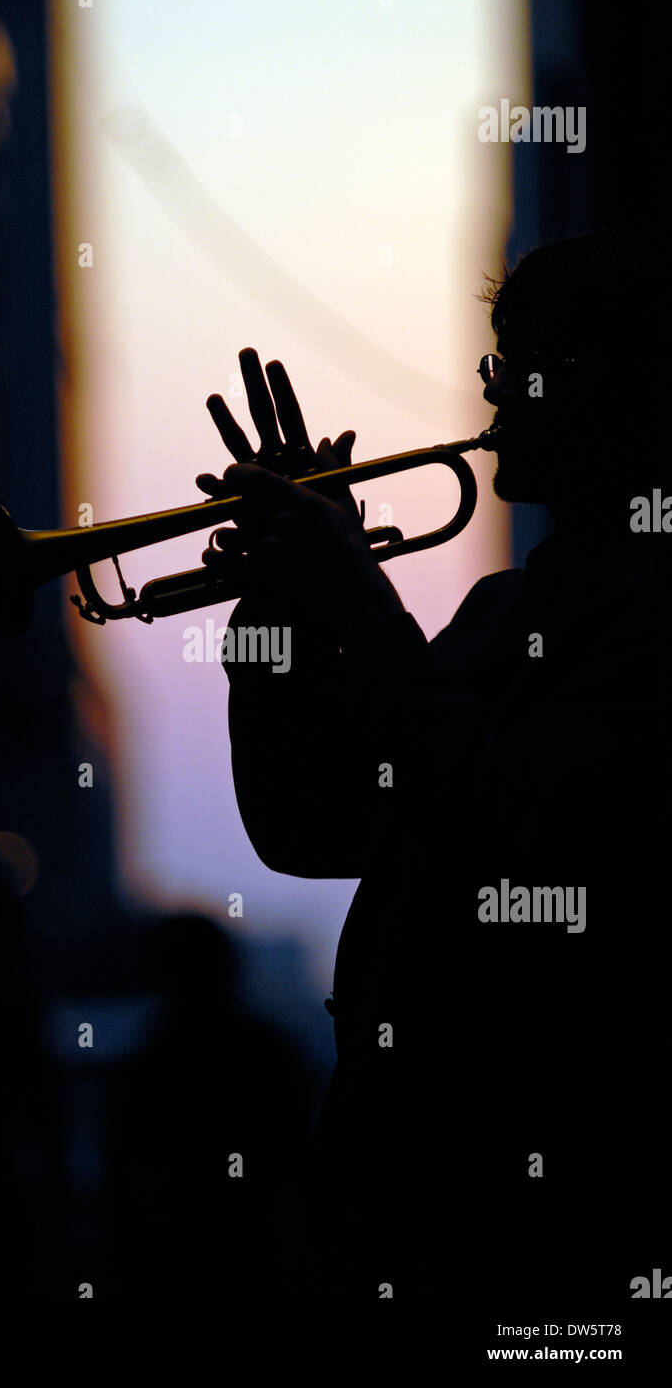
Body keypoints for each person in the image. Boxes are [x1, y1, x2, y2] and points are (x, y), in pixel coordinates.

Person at [195, 234, 672, 1299]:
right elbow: (311, 828)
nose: (496, 398)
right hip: (393, 1186)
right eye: (496, 366)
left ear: (625, 391)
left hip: (544, 1208)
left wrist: (356, 600)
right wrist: (284, 618)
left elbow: (507, 824)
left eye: (529, 369)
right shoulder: (501, 610)